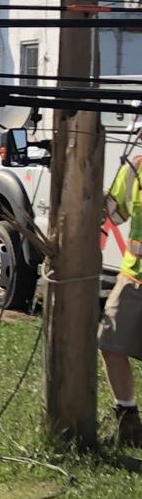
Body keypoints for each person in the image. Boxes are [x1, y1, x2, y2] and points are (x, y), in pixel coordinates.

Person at [102, 161, 142, 447]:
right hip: (133, 275)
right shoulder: (136, 166)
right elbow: (114, 213)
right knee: (109, 342)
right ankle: (128, 423)